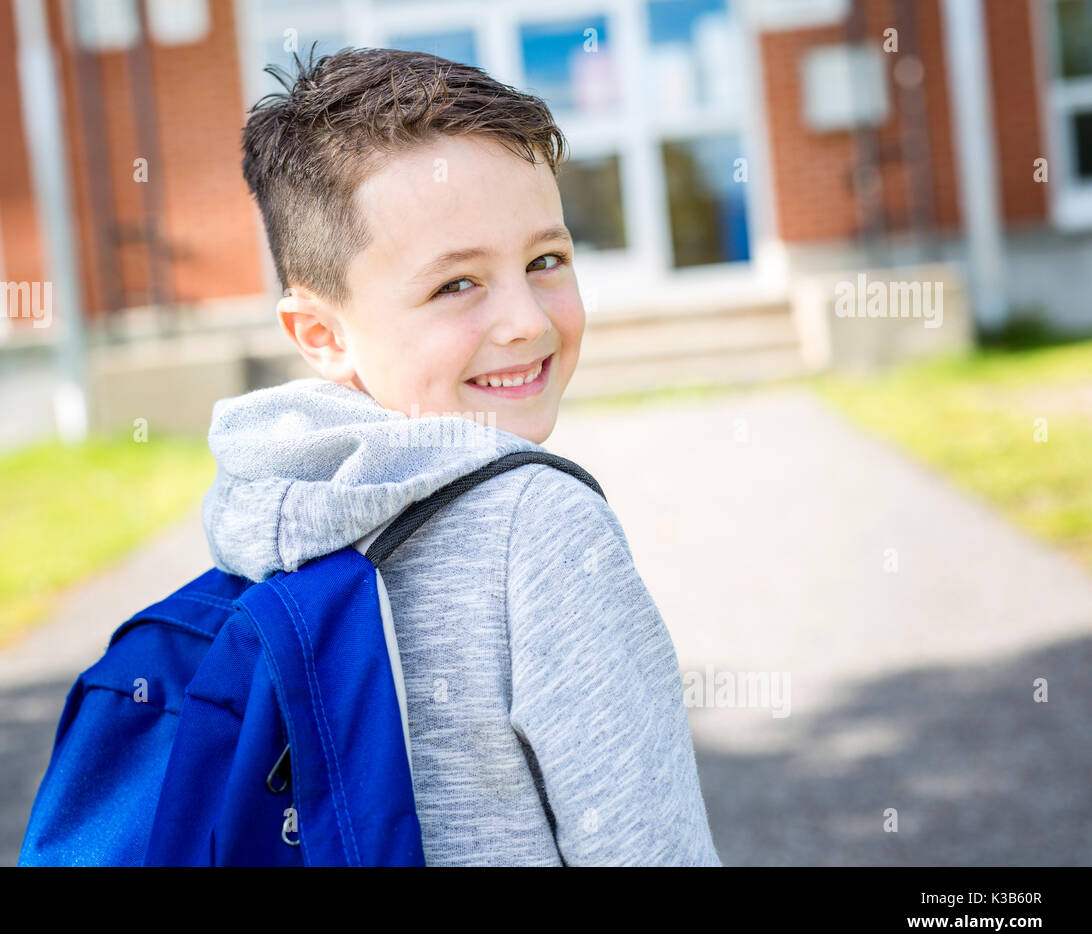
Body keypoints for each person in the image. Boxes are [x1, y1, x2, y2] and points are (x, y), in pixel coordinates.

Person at [202, 44, 721, 866]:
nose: (525, 320)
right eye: (457, 285)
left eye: (545, 261)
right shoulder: (542, 528)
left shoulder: (264, 510)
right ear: (320, 335)